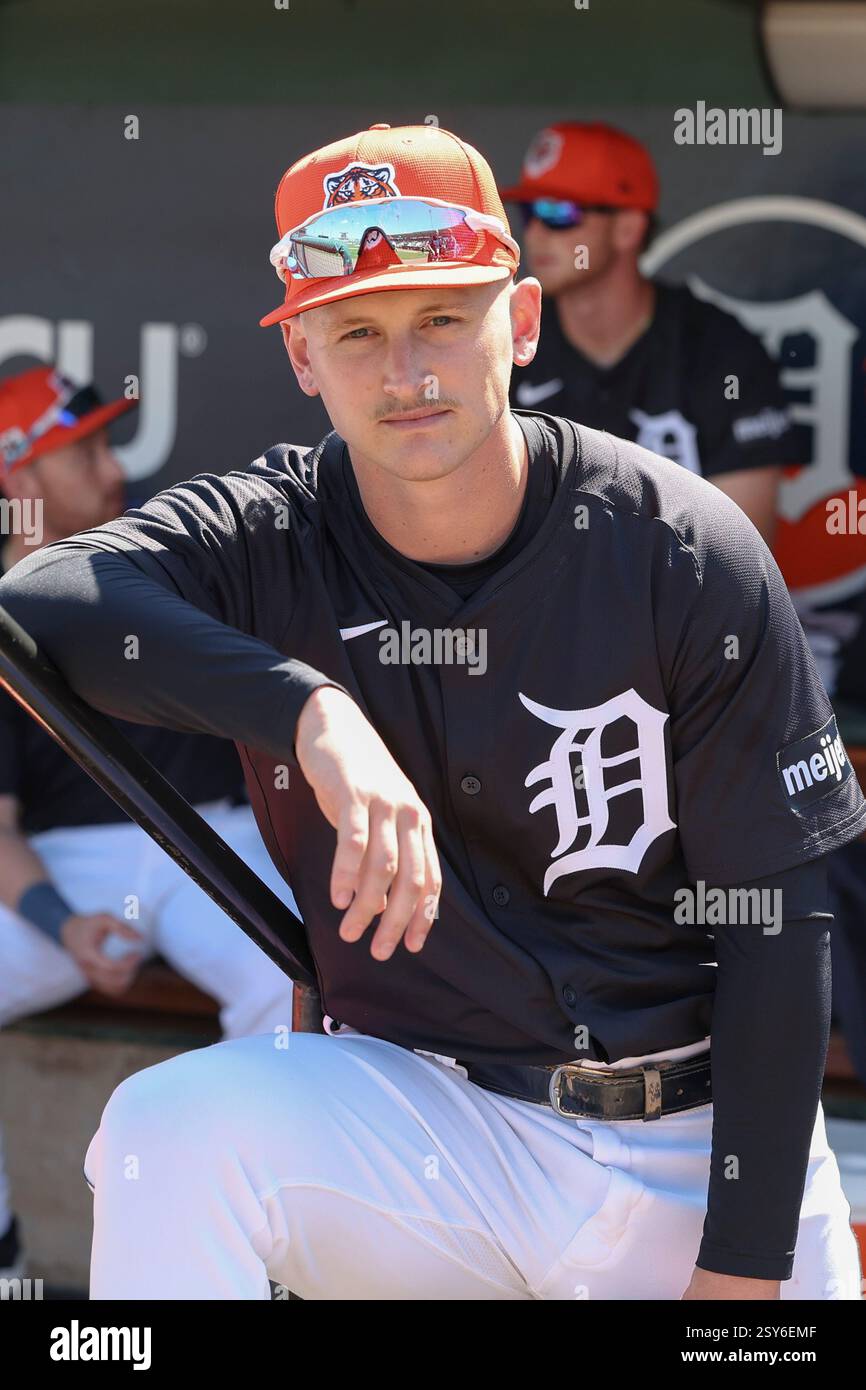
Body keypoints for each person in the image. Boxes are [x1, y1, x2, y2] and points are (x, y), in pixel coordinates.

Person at [0, 122, 863, 1302]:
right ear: (302, 355)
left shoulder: (678, 548)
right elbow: (42, 601)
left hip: (695, 1138)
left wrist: (736, 1277)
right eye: (356, 331)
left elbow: (778, 923)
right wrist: (307, 711)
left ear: (516, 321)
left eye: (438, 321)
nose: (403, 373)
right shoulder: (271, 534)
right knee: (172, 1129)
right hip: (430, 1126)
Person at [0, 366, 297, 1281]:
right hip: (71, 864)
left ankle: (274, 1259)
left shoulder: (163, 557)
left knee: (292, 988)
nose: (110, 464)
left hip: (210, 837)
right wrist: (62, 923)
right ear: (16, 480)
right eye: (79, 449)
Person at [501, 121, 805, 546]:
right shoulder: (505, 343)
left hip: (678, 607)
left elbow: (742, 556)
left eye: (558, 213)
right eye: (528, 212)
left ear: (628, 228)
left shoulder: (721, 352)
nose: (534, 233)